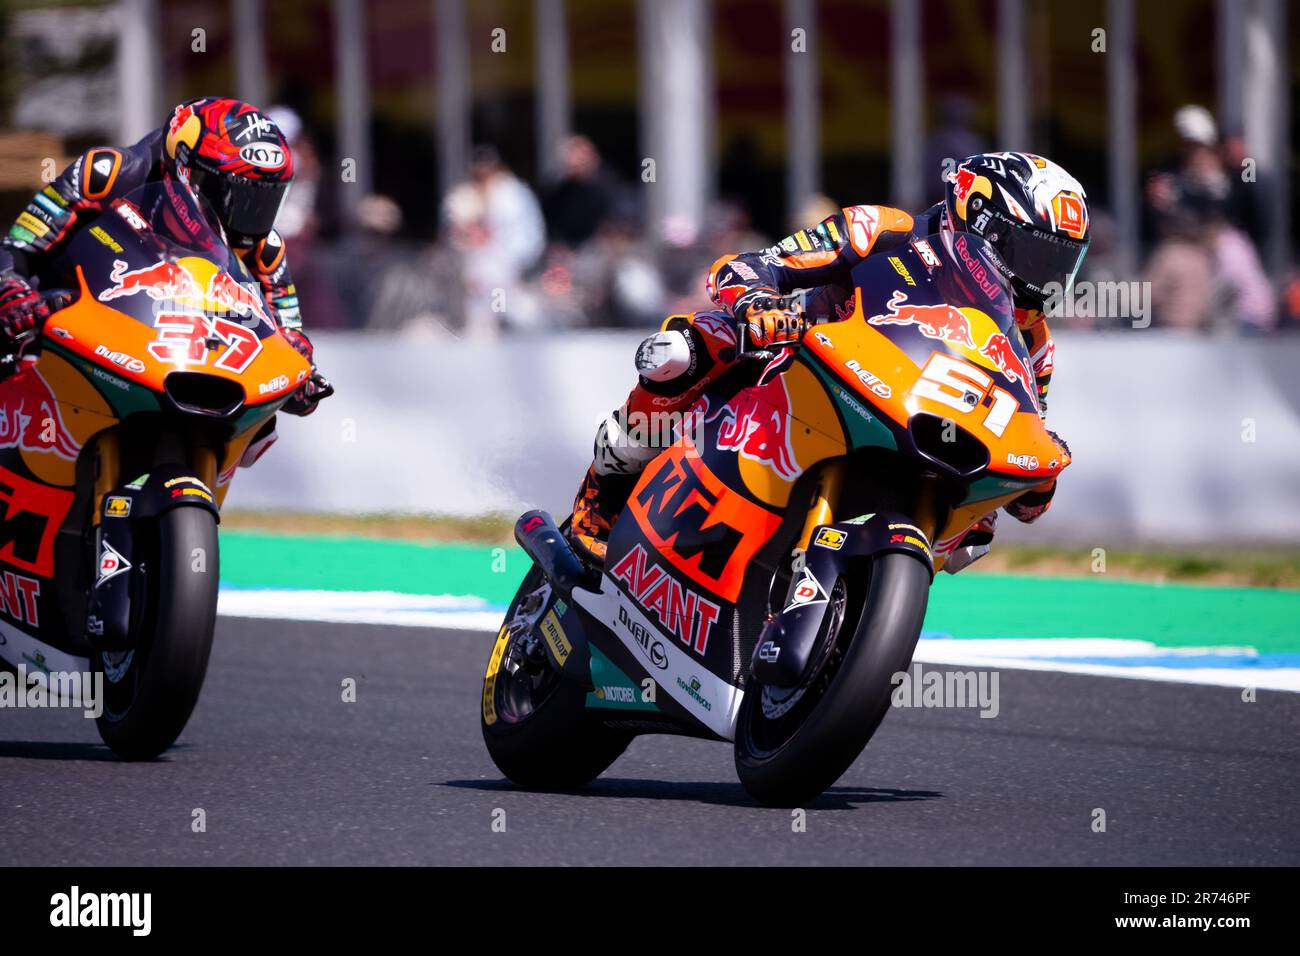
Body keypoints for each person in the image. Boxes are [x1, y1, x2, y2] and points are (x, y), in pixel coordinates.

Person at [570, 151, 1086, 573]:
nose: (1040, 282)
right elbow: (753, 266)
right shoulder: (883, 229)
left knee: (976, 538)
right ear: (977, 218)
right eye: (1032, 258)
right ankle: (605, 493)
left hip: (910, 426)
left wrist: (1038, 475)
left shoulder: (1032, 343)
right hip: (800, 368)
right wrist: (759, 304)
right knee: (681, 351)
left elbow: (1026, 467)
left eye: (1056, 266)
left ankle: (852, 608)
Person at [0, 96, 331, 415]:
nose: (248, 216)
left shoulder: (262, 243)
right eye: (234, 195)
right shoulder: (105, 173)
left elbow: (291, 334)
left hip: (175, 361)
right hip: (59, 328)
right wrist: (13, 292)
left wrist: (303, 373)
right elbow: (18, 247)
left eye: (263, 202)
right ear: (188, 170)